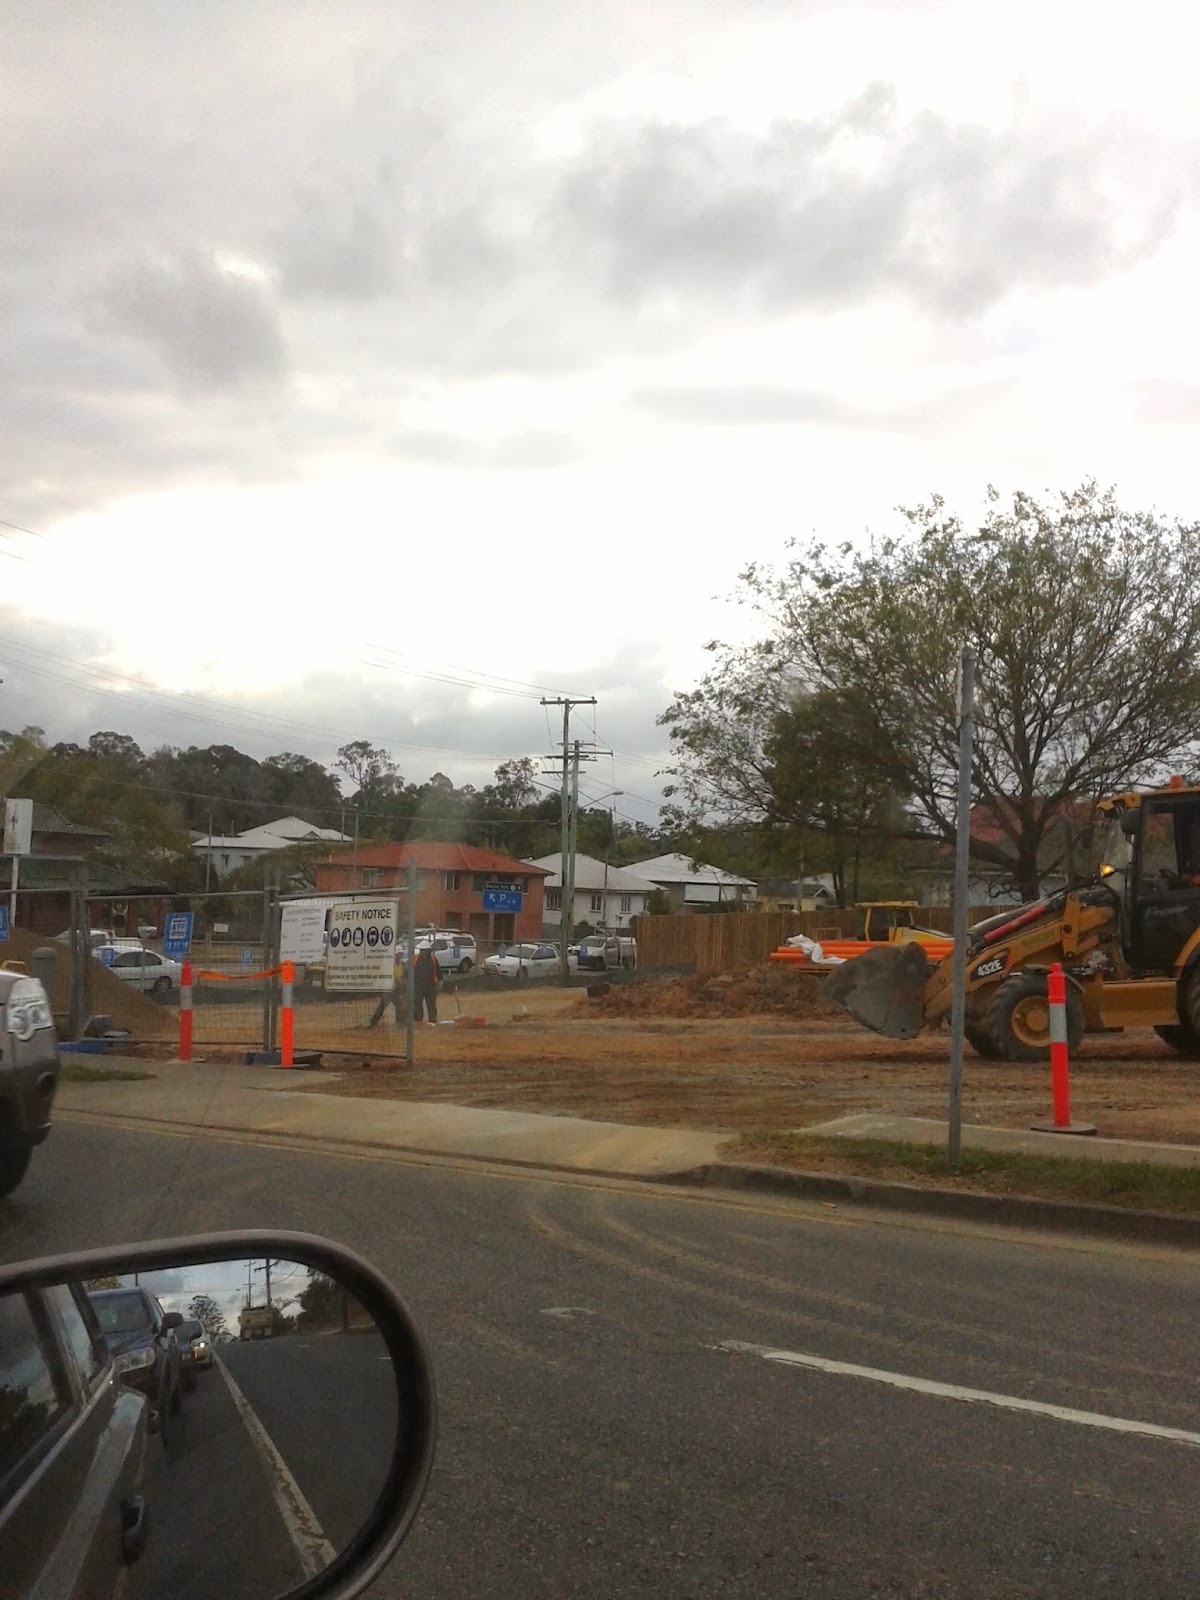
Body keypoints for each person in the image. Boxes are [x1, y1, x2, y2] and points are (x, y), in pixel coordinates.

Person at [368, 951, 407, 1027]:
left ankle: (400, 1022)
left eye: (401, 954)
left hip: (397, 989)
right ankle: (373, 1022)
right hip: (389, 988)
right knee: (383, 1005)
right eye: (398, 955)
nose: (399, 956)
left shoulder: (402, 964)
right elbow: (389, 975)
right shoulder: (389, 964)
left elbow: (403, 975)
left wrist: (402, 982)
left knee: (399, 1005)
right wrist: (399, 981)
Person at [413, 944, 440, 1023]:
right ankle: (418, 1020)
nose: (422, 951)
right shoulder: (415, 958)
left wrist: (440, 982)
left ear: (428, 950)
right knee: (417, 1003)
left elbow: (438, 971)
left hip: (430, 985)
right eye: (421, 950)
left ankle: (432, 1020)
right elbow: (410, 970)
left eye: (424, 950)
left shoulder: (433, 959)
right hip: (418, 985)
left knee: (431, 1004)